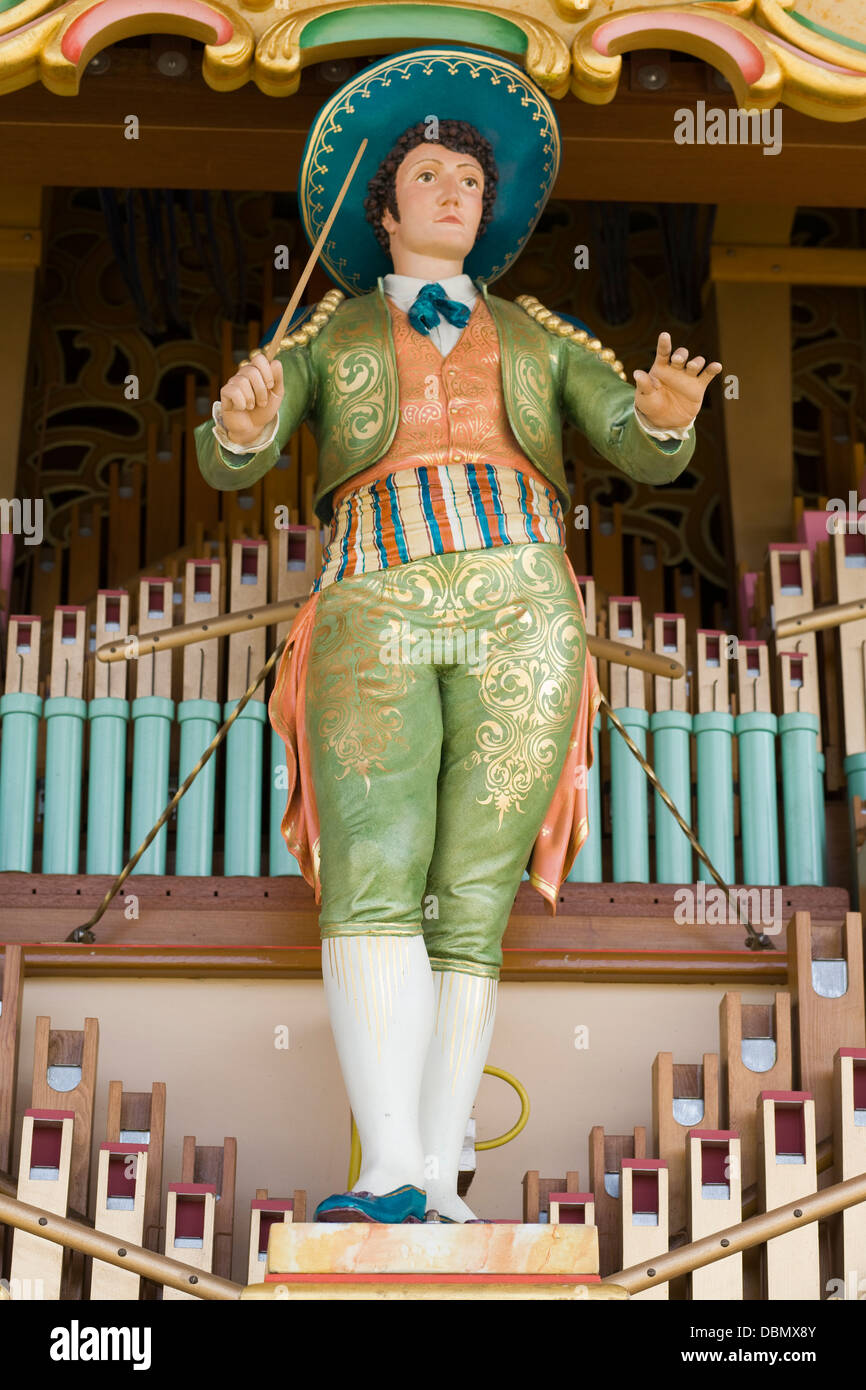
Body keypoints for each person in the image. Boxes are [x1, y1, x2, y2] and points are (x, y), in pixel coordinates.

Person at [195, 48, 721, 1224]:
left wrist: (659, 418)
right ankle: (385, 1161)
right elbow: (242, 438)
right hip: (371, 596)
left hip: (525, 608)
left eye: (465, 181)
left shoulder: (540, 336)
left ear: (486, 212)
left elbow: (630, 439)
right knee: (375, 872)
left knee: (472, 892)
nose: (449, 192)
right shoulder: (326, 337)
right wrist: (236, 428)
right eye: (424, 173)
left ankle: (435, 1177)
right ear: (379, 207)